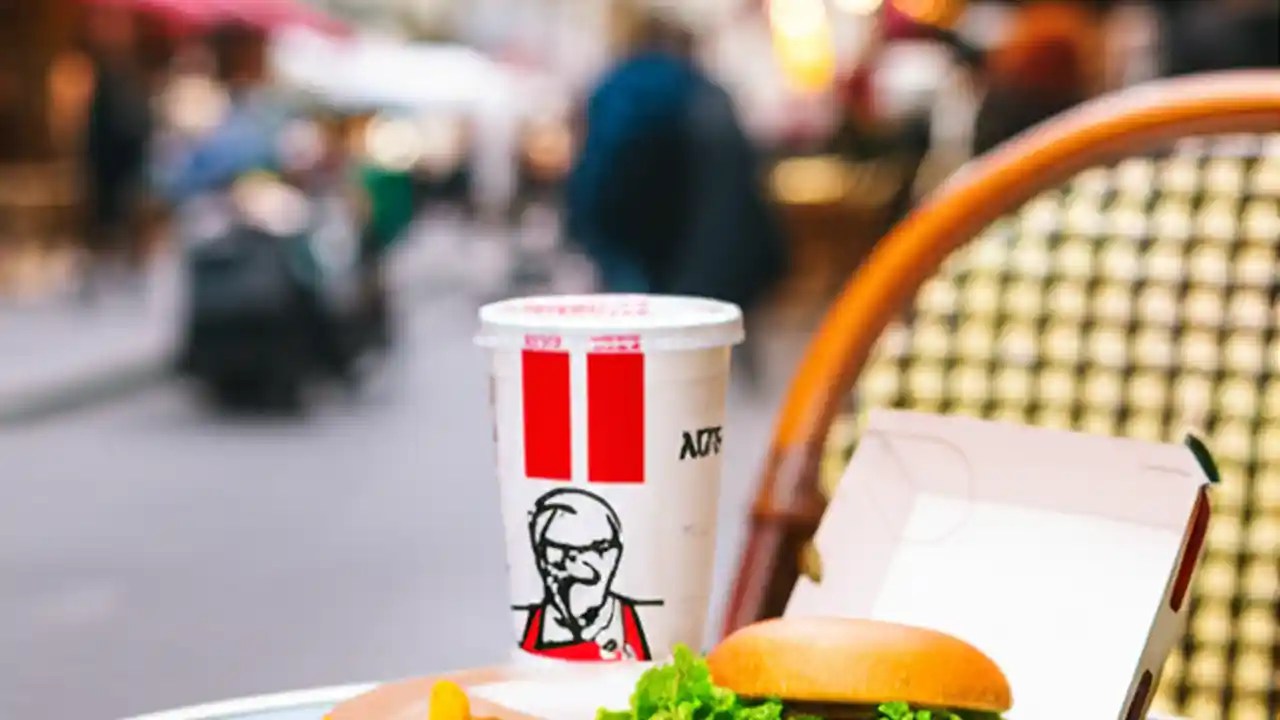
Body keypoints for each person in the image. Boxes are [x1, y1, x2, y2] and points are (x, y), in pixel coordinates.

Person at [566, 10, 787, 314]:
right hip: (716, 261)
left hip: (640, 261)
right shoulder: (710, 93)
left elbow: (592, 184)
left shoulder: (617, 90)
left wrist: (589, 238)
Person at [514, 488, 653, 661]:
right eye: (560, 551)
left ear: (613, 556)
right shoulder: (536, 623)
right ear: (542, 560)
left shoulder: (624, 617)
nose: (573, 564)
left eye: (594, 550)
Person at [81, 5, 154, 300]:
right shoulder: (99, 73)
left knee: (124, 218)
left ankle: (124, 277)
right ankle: (104, 279)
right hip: (105, 164)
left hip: (126, 162)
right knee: (105, 221)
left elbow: (136, 123)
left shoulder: (127, 74)